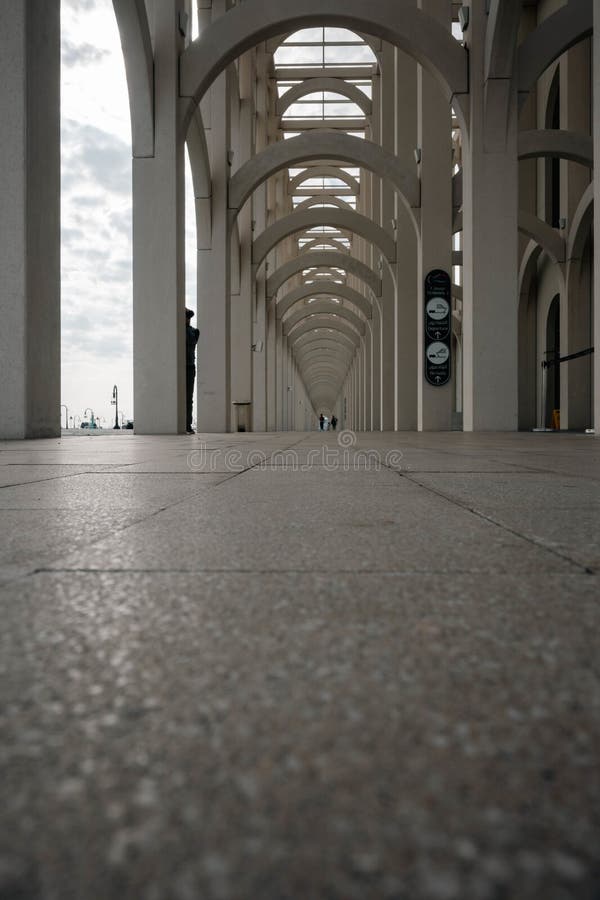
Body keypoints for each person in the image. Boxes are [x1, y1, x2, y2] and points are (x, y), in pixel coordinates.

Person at [186, 308, 200, 434]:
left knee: (189, 398)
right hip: (184, 366)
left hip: (189, 366)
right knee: (187, 398)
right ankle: (186, 424)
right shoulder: (191, 331)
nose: (188, 319)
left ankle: (187, 424)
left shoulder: (193, 331)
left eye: (188, 317)